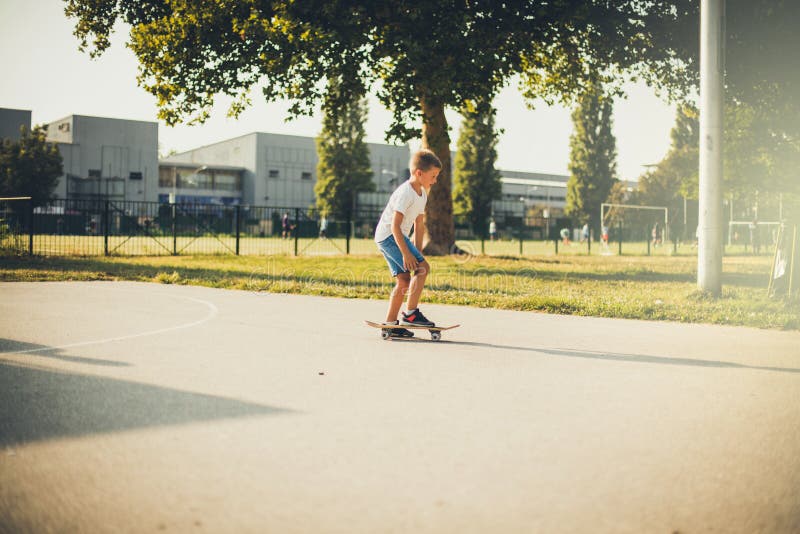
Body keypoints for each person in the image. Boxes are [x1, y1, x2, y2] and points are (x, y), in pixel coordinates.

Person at [374, 149, 442, 338]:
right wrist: (407, 254)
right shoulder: (406, 192)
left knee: (405, 279)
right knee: (423, 269)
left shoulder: (422, 194)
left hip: (391, 237)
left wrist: (417, 254)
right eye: (433, 176)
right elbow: (395, 226)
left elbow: (419, 226)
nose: (435, 181)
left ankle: (390, 324)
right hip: (389, 236)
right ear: (419, 173)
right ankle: (411, 315)